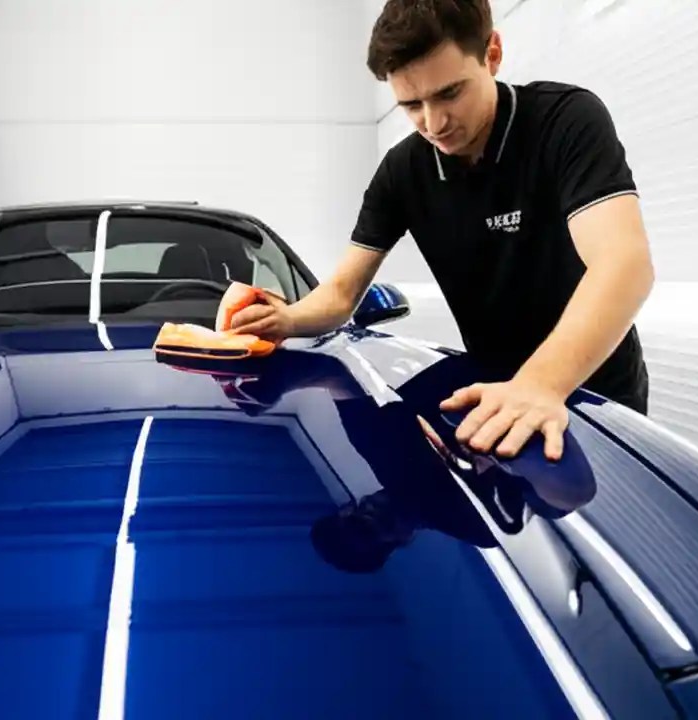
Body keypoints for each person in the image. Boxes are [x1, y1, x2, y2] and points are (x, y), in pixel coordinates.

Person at [228, 0, 655, 463]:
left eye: (450, 93)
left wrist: (540, 384)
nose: (433, 124)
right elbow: (340, 294)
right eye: (411, 105)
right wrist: (287, 320)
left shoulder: (565, 120)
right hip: (489, 396)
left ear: (492, 53)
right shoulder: (403, 172)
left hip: (592, 394)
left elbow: (624, 266)